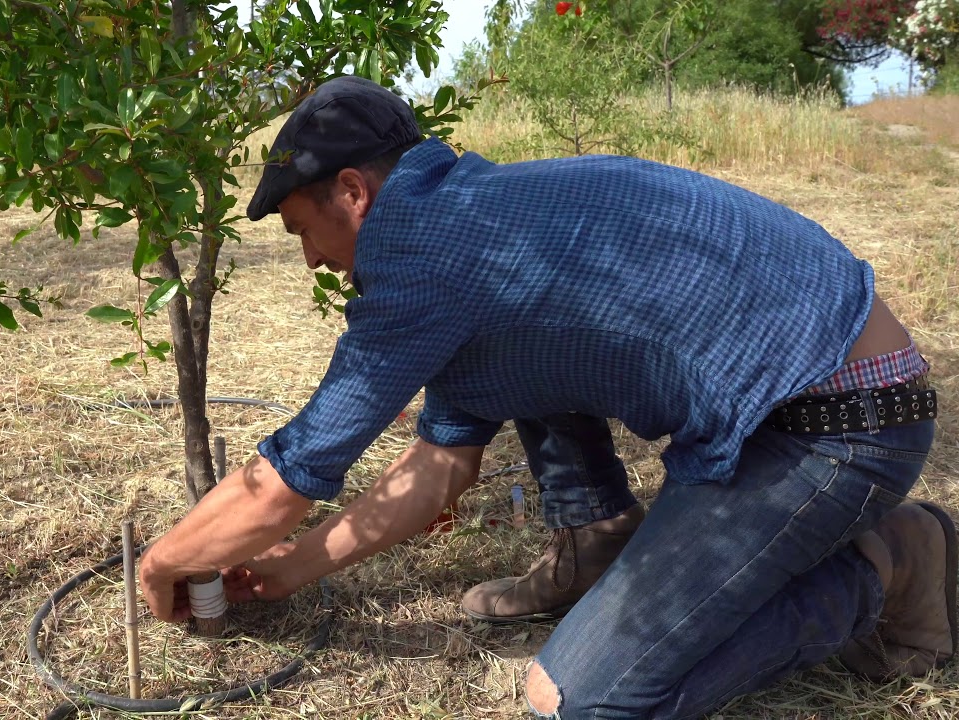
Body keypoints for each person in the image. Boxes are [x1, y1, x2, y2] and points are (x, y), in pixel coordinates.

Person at [137, 75, 954, 718]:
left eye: (302, 230)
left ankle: (887, 570)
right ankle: (595, 538)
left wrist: (169, 558)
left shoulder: (424, 256)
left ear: (353, 192)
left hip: (834, 430)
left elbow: (290, 479)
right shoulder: (480, 218)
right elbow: (440, 466)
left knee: (582, 700)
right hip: (824, 397)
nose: (312, 259)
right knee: (527, 350)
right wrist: (293, 571)